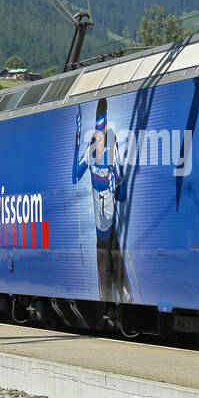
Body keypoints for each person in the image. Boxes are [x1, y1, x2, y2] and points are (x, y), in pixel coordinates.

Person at [73, 97, 130, 304]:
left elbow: (75, 176)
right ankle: (123, 297)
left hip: (105, 224)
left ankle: (115, 298)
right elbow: (75, 177)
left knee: (108, 262)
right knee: (112, 260)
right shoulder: (99, 152)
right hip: (106, 222)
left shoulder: (104, 151)